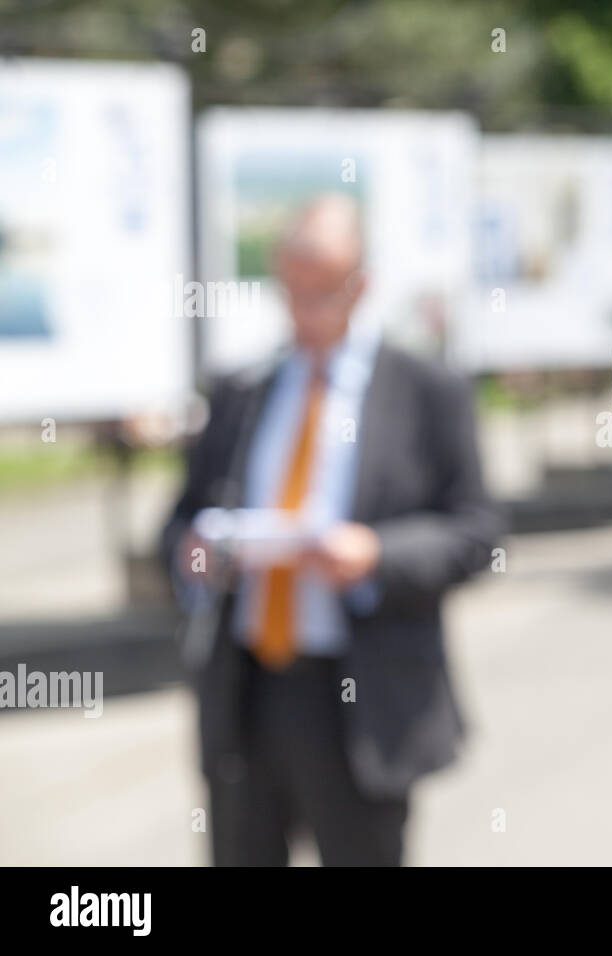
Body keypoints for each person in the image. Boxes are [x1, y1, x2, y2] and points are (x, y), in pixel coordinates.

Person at [161, 193, 502, 866]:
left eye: (321, 293)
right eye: (291, 290)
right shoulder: (242, 388)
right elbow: (179, 519)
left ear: (361, 286)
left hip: (360, 695)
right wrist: (192, 553)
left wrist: (375, 553)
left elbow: (478, 534)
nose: (303, 311)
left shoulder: (424, 389)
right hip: (248, 690)